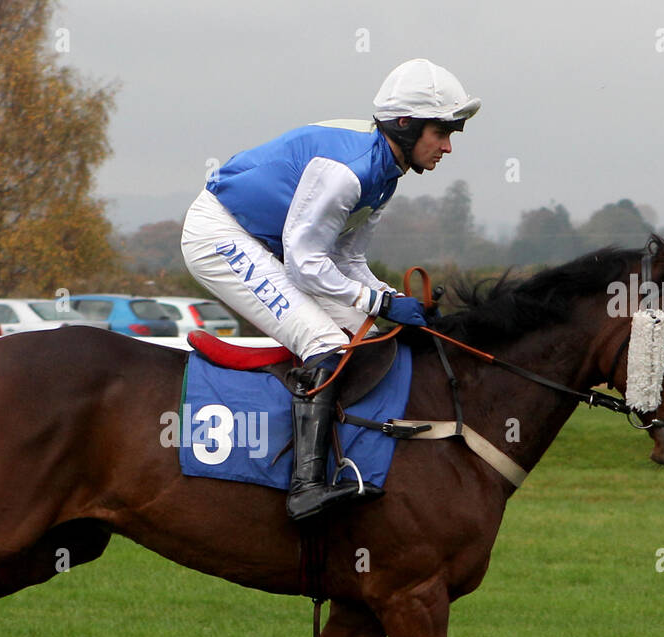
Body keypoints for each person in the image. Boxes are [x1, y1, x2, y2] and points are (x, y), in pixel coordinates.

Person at [182, 58, 480, 520]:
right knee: (323, 341)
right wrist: (379, 301)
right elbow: (305, 265)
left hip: (275, 245)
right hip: (220, 234)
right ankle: (305, 488)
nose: (447, 146)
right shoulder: (351, 172)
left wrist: (388, 299)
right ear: (405, 125)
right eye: (440, 132)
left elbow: (346, 259)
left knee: (365, 330)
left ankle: (352, 453)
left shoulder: (386, 172)